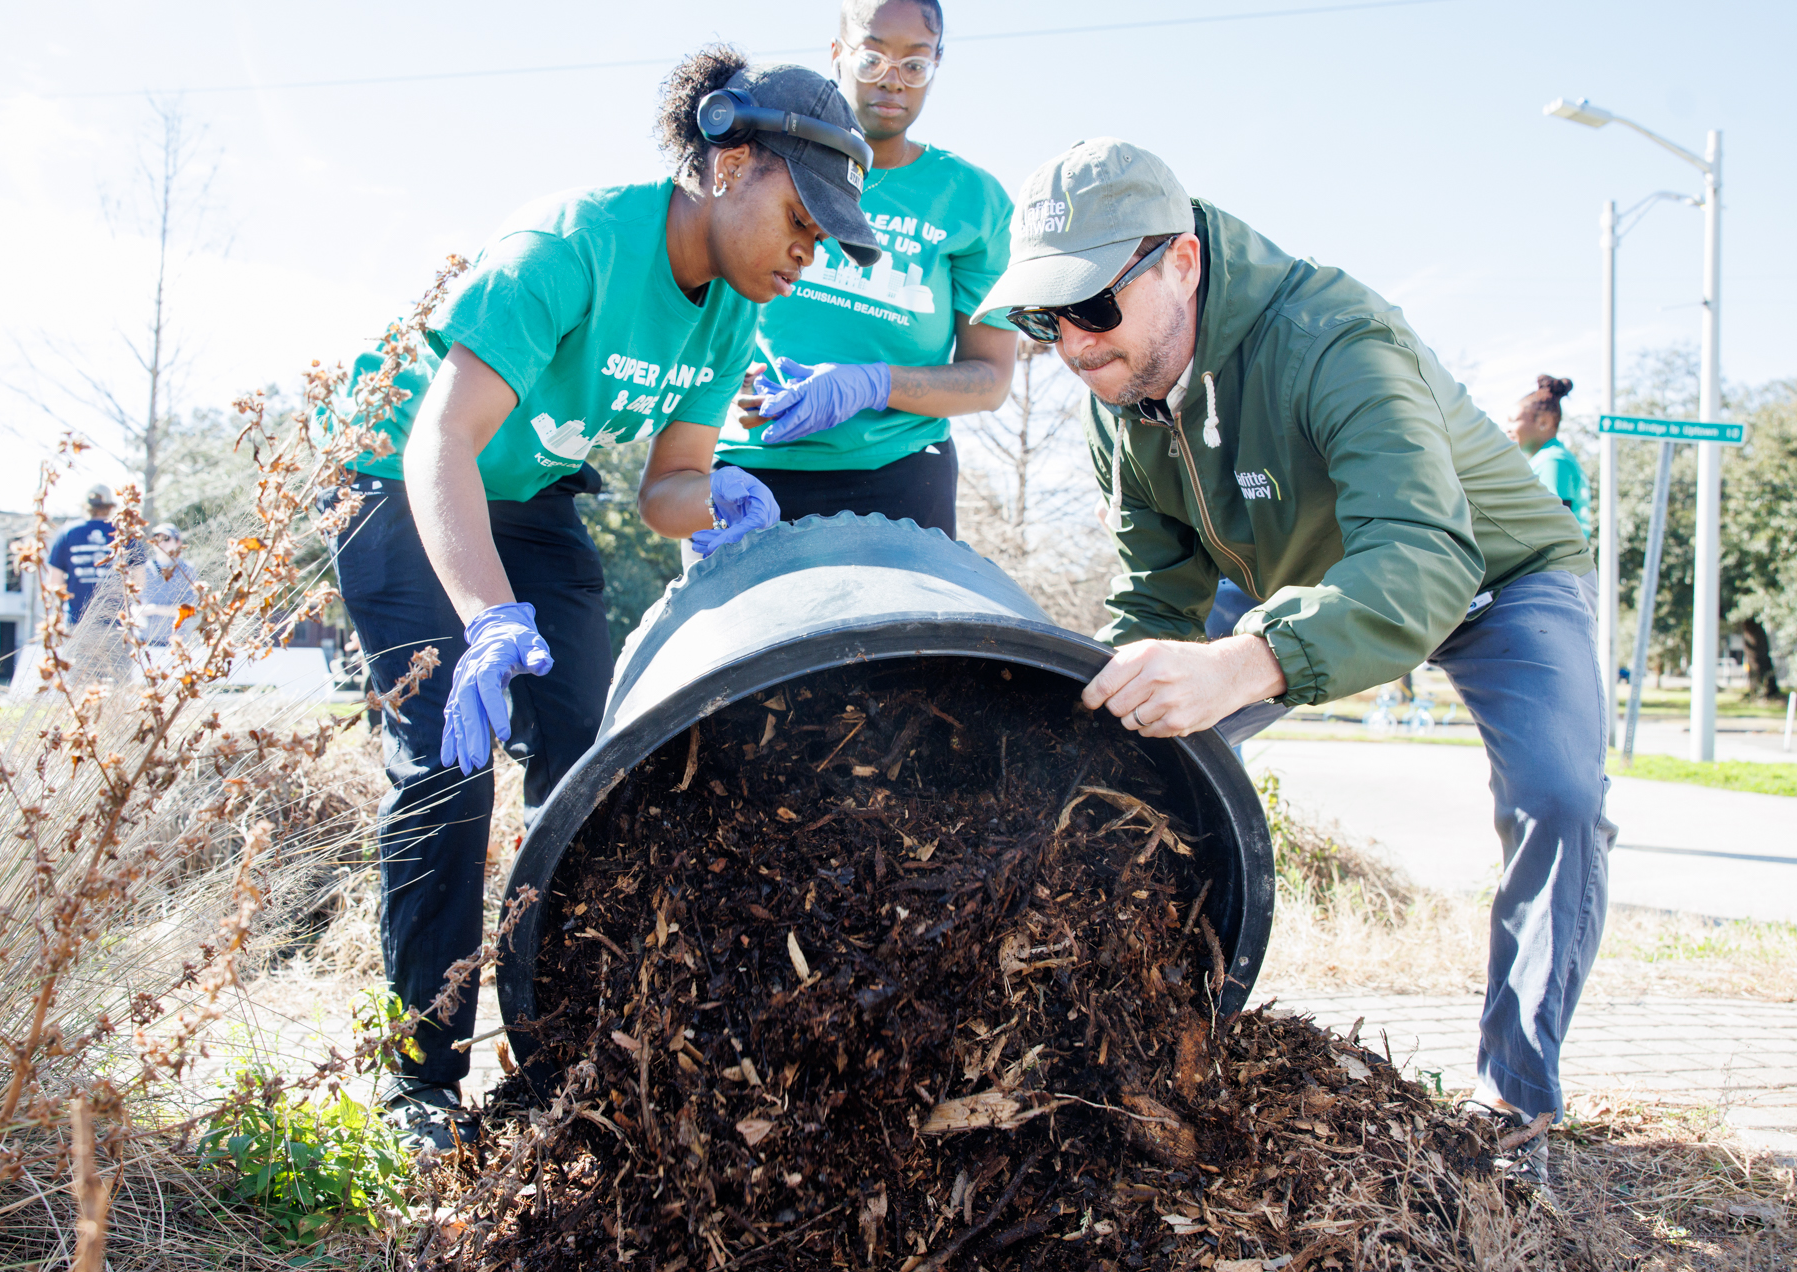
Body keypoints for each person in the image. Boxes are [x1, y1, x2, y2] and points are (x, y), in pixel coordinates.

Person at [972, 140, 1606, 1182]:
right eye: (1041, 320)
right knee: (1118, 752)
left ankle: (1515, 1098)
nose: (1071, 346)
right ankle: (1102, 1027)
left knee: (1556, 798)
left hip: (1488, 574)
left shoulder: (1333, 337)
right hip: (1286, 583)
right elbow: (1152, 589)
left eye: (1087, 306)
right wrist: (1128, 686)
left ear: (1177, 261)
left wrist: (1244, 663)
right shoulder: (1117, 389)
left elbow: (1422, 551)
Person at [323, 49, 882, 1153]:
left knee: (589, 761)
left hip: (530, 497)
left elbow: (665, 485)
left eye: (824, 238)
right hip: (403, 482)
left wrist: (716, 497)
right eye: (798, 218)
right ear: (730, 162)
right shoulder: (568, 247)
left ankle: (566, 1050)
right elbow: (443, 439)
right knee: (448, 769)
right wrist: (485, 616)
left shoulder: (730, 309)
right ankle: (420, 1084)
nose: (805, 253)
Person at [715, 0, 1017, 536]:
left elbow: (990, 380)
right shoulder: (772, 164)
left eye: (915, 65)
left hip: (900, 473)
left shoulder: (973, 201)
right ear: (838, 54)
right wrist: (716, 380)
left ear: (937, 64)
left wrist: (871, 384)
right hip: (754, 466)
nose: (893, 82)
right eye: (872, 60)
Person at [1508, 375, 1590, 539]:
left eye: (1514, 421)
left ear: (1544, 422)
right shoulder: (1543, 459)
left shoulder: (1553, 461)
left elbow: (1555, 527)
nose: (1507, 429)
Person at [46, 485, 122, 627]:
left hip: (77, 623)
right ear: (110, 507)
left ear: (85, 507)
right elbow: (139, 581)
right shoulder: (123, 533)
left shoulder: (67, 533)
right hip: (115, 624)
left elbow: (55, 583)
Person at [135, 523, 198, 644]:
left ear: (178, 542)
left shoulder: (187, 570)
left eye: (166, 538)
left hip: (177, 643)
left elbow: (190, 609)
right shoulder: (143, 569)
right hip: (145, 641)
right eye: (157, 538)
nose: (161, 543)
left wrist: (155, 609)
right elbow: (133, 603)